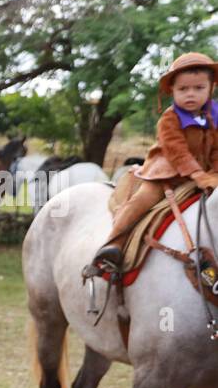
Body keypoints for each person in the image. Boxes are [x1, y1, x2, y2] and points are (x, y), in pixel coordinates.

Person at [91, 51, 218, 275]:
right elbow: (177, 152)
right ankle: (113, 244)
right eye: (183, 89)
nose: (191, 94)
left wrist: (215, 173)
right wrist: (199, 175)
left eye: (198, 88)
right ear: (172, 91)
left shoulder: (214, 116)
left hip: (207, 174)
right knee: (142, 200)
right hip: (166, 174)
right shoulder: (170, 118)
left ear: (211, 89)